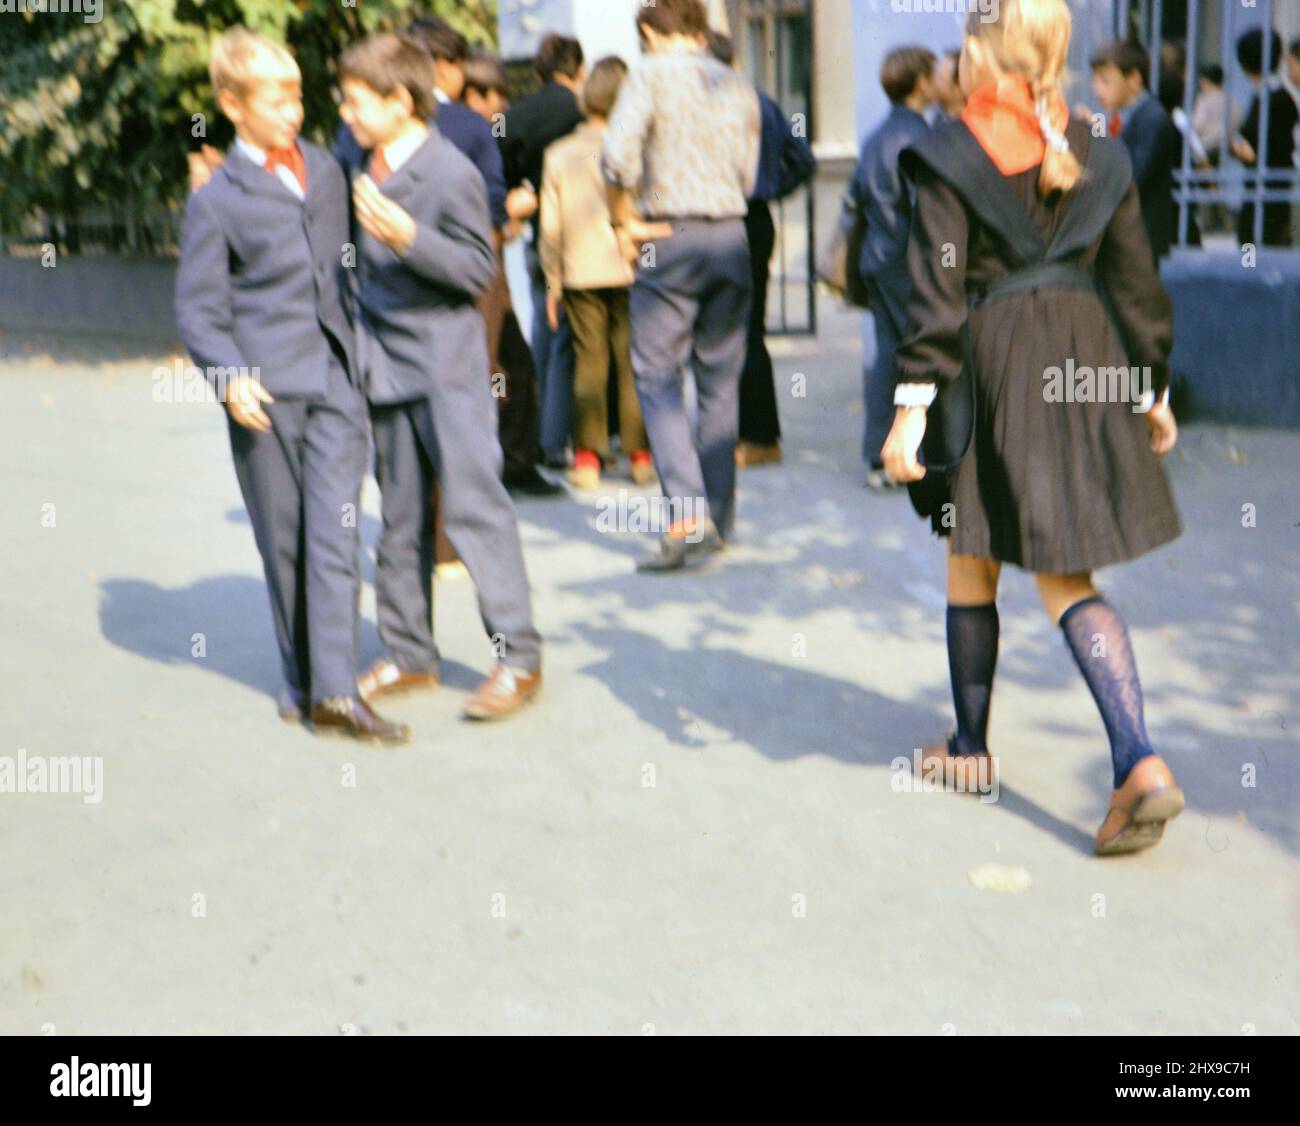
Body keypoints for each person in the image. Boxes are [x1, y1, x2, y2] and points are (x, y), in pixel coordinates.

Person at [883, 0, 1185, 856]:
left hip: (994, 366)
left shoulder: (946, 153)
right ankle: (978, 748)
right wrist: (1149, 384)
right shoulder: (1103, 147)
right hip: (1082, 359)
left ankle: (1137, 759)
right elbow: (1137, 284)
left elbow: (934, 296)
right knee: (991, 547)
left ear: (981, 52)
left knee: (1022, 562)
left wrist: (909, 415)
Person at [175, 28, 408, 744]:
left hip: (336, 379)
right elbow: (198, 308)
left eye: (300, 96)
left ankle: (335, 691)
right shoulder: (215, 200)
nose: (295, 113)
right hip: (264, 395)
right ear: (232, 105)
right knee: (286, 541)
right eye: (278, 101)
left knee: (335, 531)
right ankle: (303, 676)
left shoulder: (328, 171)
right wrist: (228, 375)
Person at [337, 32, 544, 721]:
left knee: (475, 509)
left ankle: (518, 659)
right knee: (399, 518)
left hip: (447, 368)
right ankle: (409, 653)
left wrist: (408, 239)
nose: (348, 114)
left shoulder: (450, 170)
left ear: (401, 101)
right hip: (385, 366)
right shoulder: (357, 162)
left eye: (358, 102)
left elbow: (477, 272)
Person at [602, 0, 761, 572]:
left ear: (648, 31)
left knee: (656, 375)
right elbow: (748, 173)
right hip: (730, 236)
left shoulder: (648, 74)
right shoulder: (738, 83)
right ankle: (718, 514)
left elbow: (617, 159)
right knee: (720, 379)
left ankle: (687, 516)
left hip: (666, 237)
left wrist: (623, 223)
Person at [538, 56, 654, 492]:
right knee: (631, 360)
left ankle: (588, 456)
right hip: (631, 266)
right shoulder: (634, 149)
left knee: (589, 361)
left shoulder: (559, 155)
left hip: (580, 272)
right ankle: (640, 454)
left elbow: (550, 229)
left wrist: (552, 281)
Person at [705, 31, 817, 471]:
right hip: (755, 219)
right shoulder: (760, 100)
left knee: (729, 330)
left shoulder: (712, 105)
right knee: (748, 328)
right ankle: (756, 434)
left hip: (724, 218)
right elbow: (804, 160)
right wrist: (770, 188)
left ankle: (753, 435)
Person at [457, 46, 563, 498]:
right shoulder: (474, 133)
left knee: (510, 365)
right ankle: (504, 468)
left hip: (483, 269)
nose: (502, 106)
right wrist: (509, 213)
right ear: (477, 95)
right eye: (496, 95)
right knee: (500, 366)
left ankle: (513, 463)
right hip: (480, 271)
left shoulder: (451, 132)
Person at [848, 45, 935, 491]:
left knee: (886, 356)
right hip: (907, 262)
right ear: (921, 82)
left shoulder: (876, 135)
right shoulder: (919, 135)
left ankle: (876, 455)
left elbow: (856, 199)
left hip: (876, 261)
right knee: (915, 357)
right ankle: (908, 453)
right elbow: (930, 210)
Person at [501, 34, 587, 466]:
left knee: (541, 332)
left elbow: (500, 164)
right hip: (584, 240)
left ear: (539, 72)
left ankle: (535, 430)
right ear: (579, 69)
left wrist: (516, 202)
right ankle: (557, 441)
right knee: (569, 342)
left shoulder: (517, 114)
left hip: (537, 234)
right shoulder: (585, 113)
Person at [1090, 39, 1184, 260]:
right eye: (1095, 80)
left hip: (1140, 239)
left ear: (1133, 79)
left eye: (1105, 81)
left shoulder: (1152, 118)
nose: (1096, 88)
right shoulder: (1125, 115)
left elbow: (1133, 177)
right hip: (1126, 237)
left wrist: (1098, 138)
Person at [1229, 28, 1298, 248]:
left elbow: (1271, 147)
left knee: (1258, 247)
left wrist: (1245, 151)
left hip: (1267, 188)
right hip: (1268, 186)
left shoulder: (1272, 98)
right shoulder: (1276, 95)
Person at [933, 47, 966, 119]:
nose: (932, 81)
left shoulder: (969, 127)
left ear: (959, 88)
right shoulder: (939, 118)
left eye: (940, 77)